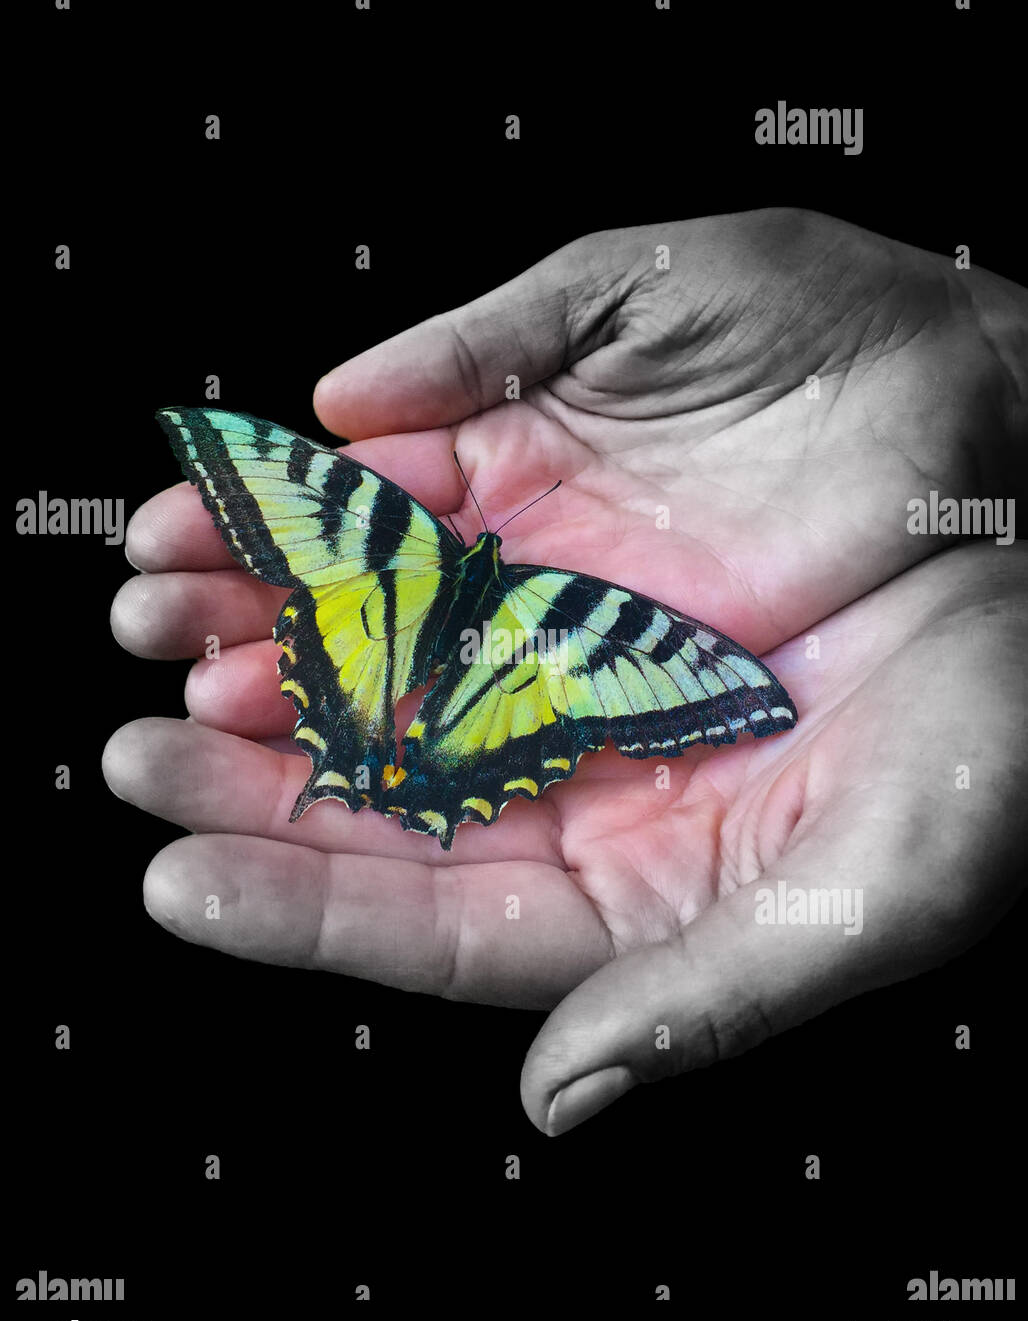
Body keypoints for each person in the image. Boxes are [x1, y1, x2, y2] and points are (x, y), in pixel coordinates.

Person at [105, 209, 1026, 1137]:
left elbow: (681, 667)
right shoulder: (560, 606)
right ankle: (398, 761)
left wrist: (991, 356)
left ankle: (375, 755)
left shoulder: (412, 540)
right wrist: (987, 353)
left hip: (382, 618)